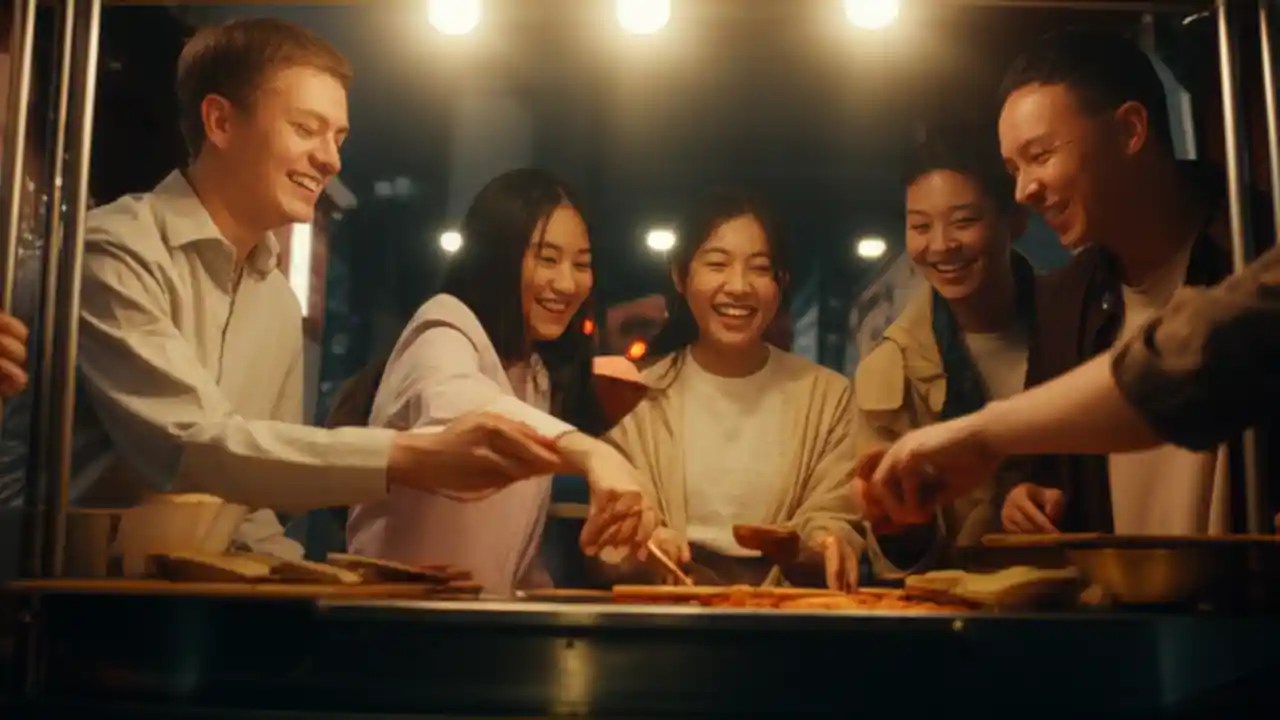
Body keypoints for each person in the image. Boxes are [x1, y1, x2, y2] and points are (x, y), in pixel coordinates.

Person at [65, 19, 573, 562]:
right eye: (306, 129)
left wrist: (310, 588)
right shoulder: (115, 249)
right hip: (62, 606)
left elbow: (251, 509)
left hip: (180, 616)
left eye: (339, 137)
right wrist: (408, 456)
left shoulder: (276, 301)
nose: (330, 159)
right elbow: (188, 444)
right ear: (220, 121)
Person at [996, 27, 1275, 535]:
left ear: (1129, 130)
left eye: (1039, 156)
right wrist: (1019, 495)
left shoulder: (1256, 249)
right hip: (1124, 608)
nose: (1023, 190)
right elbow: (1032, 460)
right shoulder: (1064, 300)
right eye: (1013, 168)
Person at [346, 169, 656, 596]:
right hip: (397, 629)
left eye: (581, 264)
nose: (567, 283)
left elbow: (507, 558)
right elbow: (462, 405)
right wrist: (592, 454)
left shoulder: (534, 373)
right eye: (547, 259)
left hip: (470, 636)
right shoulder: (443, 325)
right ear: (496, 256)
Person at [856, 241, 1280, 533]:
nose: (1025, 188)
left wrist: (980, 435)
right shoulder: (1071, 294)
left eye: (1041, 154)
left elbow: (1179, 365)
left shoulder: (1241, 238)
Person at [605, 188, 861, 590]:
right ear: (680, 275)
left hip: (789, 632)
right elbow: (611, 535)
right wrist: (645, 543)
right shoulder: (636, 394)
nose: (738, 286)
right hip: (669, 624)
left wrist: (823, 542)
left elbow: (837, 515)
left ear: (781, 283)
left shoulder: (826, 397)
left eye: (759, 268)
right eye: (717, 264)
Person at [850, 124, 1036, 575]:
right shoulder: (890, 366)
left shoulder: (1078, 325)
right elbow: (897, 561)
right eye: (919, 226)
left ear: (1015, 219)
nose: (941, 245)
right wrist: (897, 522)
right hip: (955, 620)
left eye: (964, 221)